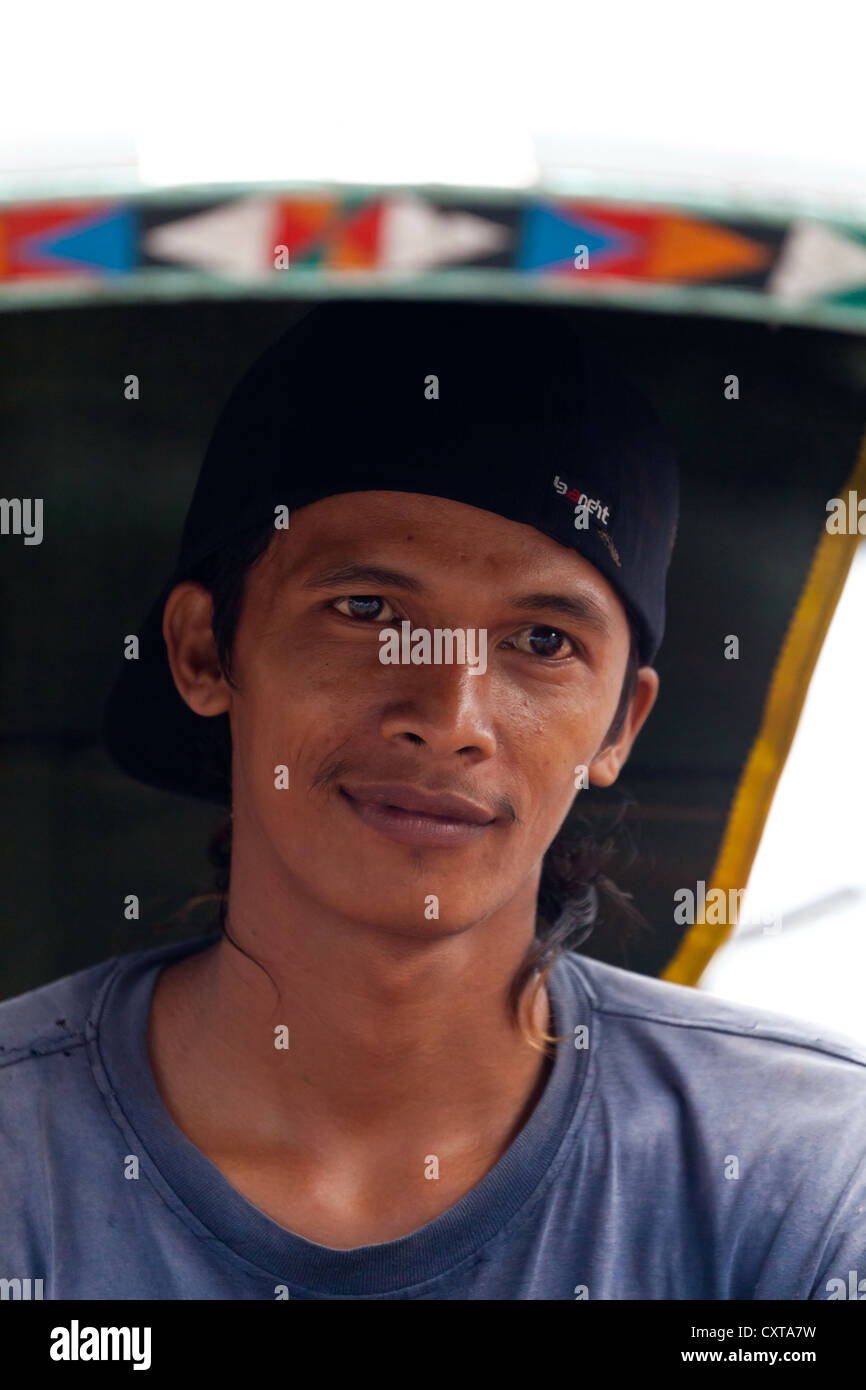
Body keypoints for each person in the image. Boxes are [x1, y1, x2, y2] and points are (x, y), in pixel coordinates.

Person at [1, 301, 864, 1301]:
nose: (450, 714)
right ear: (204, 650)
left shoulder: (798, 1180)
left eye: (541, 641)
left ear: (619, 724)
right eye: (367, 611)